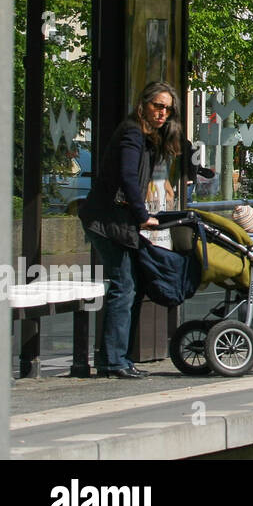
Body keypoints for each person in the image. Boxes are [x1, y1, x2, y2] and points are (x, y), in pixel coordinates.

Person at [78, 82, 182, 378]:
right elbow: (126, 176)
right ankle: (112, 361)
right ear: (144, 104)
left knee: (132, 285)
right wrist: (141, 215)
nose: (162, 113)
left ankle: (119, 358)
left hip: (117, 221)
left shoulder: (147, 137)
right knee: (125, 285)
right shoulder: (132, 133)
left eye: (167, 109)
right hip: (108, 221)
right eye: (157, 106)